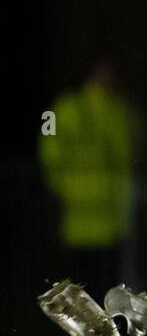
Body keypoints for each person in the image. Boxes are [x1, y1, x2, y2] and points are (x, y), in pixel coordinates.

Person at [38, 59, 137, 298]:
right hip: (108, 215)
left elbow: (49, 152)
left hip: (73, 214)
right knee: (106, 290)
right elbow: (127, 154)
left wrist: (62, 186)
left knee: (74, 291)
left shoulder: (65, 108)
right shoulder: (115, 110)